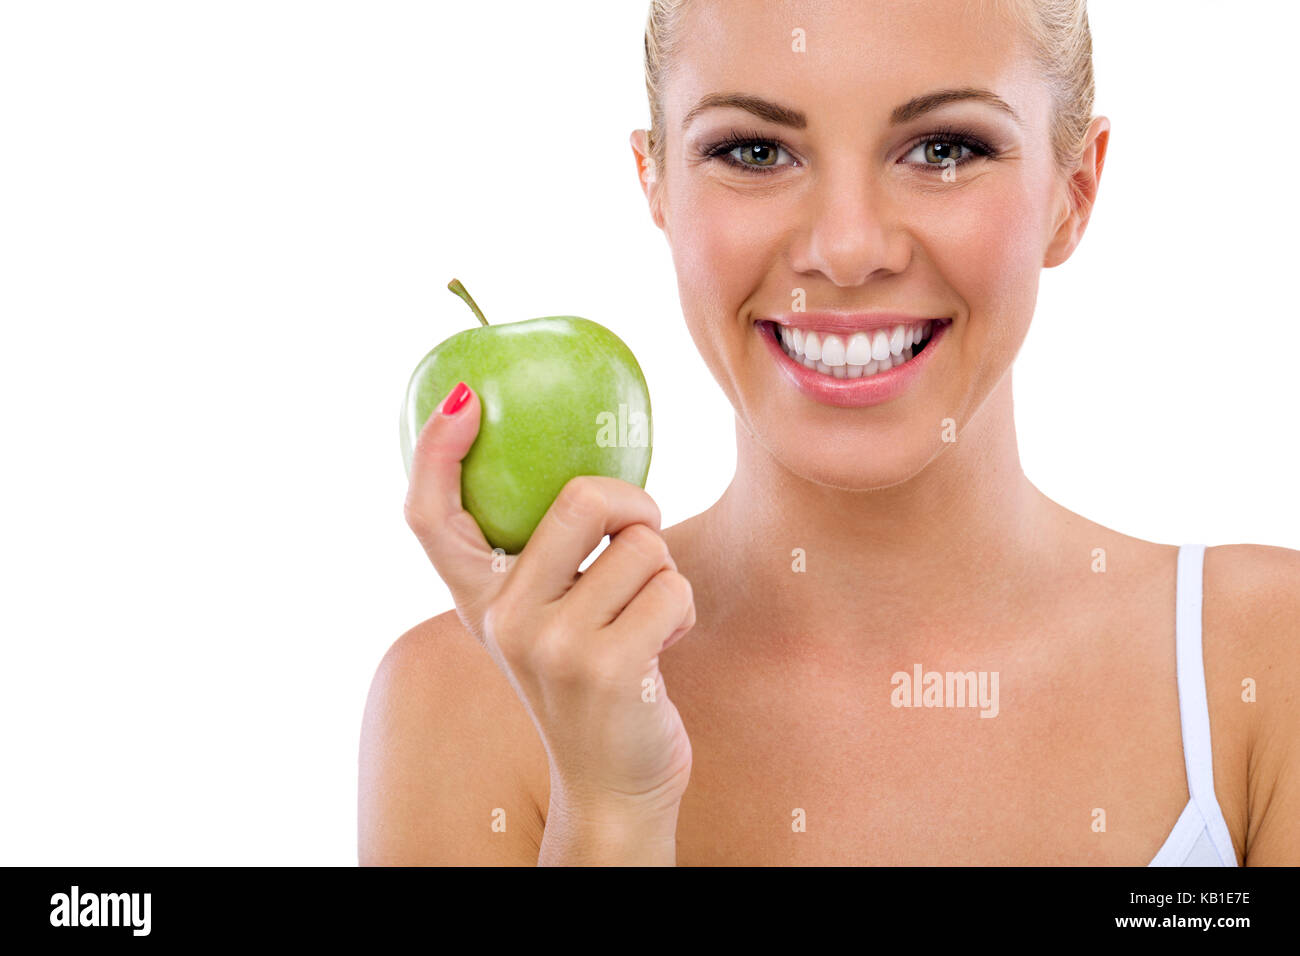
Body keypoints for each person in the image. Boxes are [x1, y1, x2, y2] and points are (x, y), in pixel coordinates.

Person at [359, 0, 1299, 865]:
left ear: (1075, 189)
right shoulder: (465, 704)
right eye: (757, 153)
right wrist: (611, 808)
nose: (846, 251)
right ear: (656, 185)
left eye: (942, 149)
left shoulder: (1266, 664)